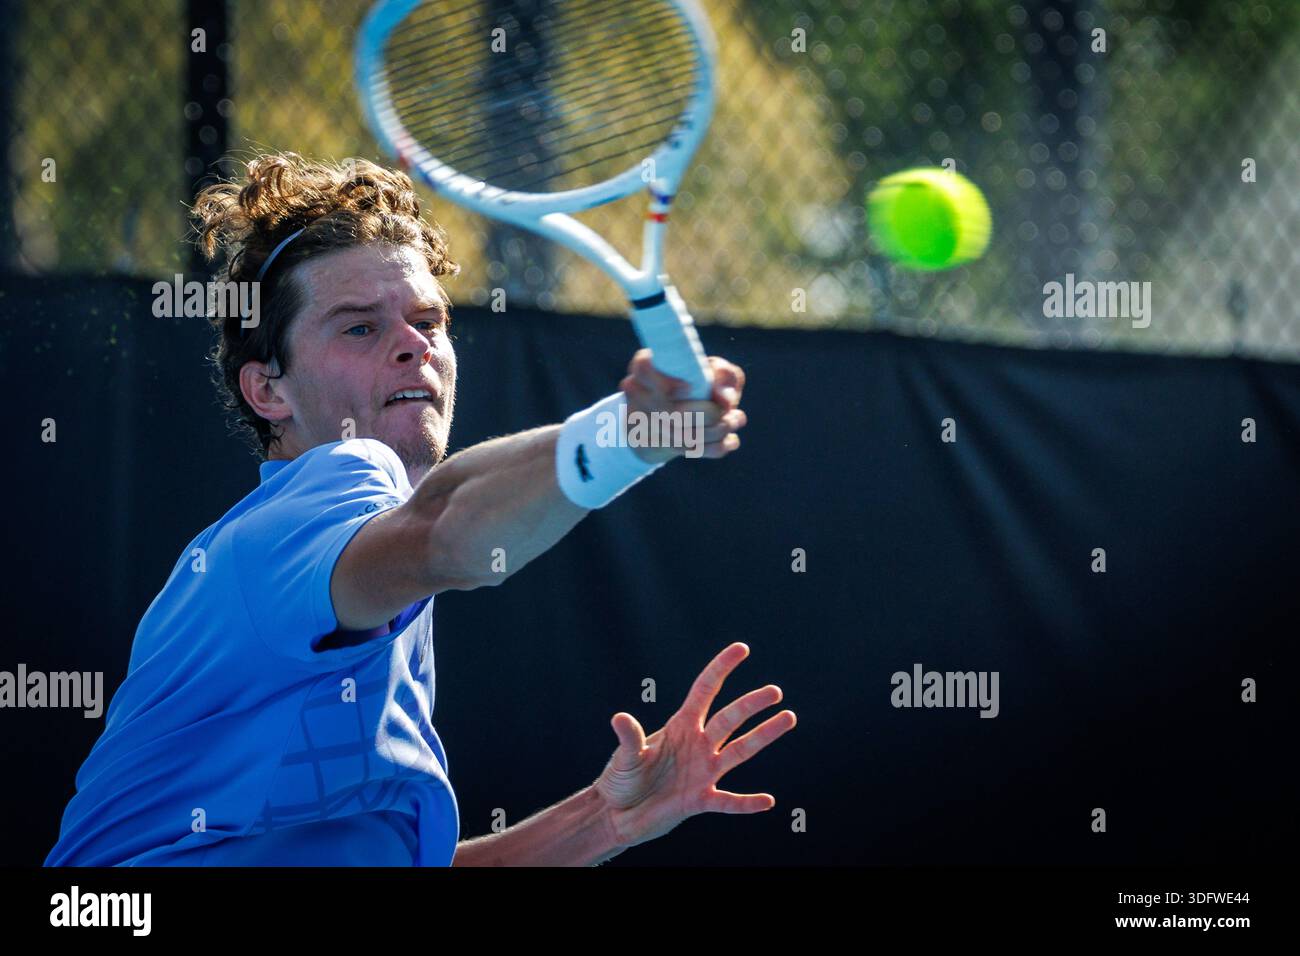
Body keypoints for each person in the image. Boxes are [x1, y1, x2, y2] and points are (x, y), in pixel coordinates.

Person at [45, 152, 795, 867]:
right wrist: (628, 435)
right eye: (360, 327)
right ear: (267, 389)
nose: (413, 346)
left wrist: (605, 817)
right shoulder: (317, 504)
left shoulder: (352, 573)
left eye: (429, 322)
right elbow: (446, 532)